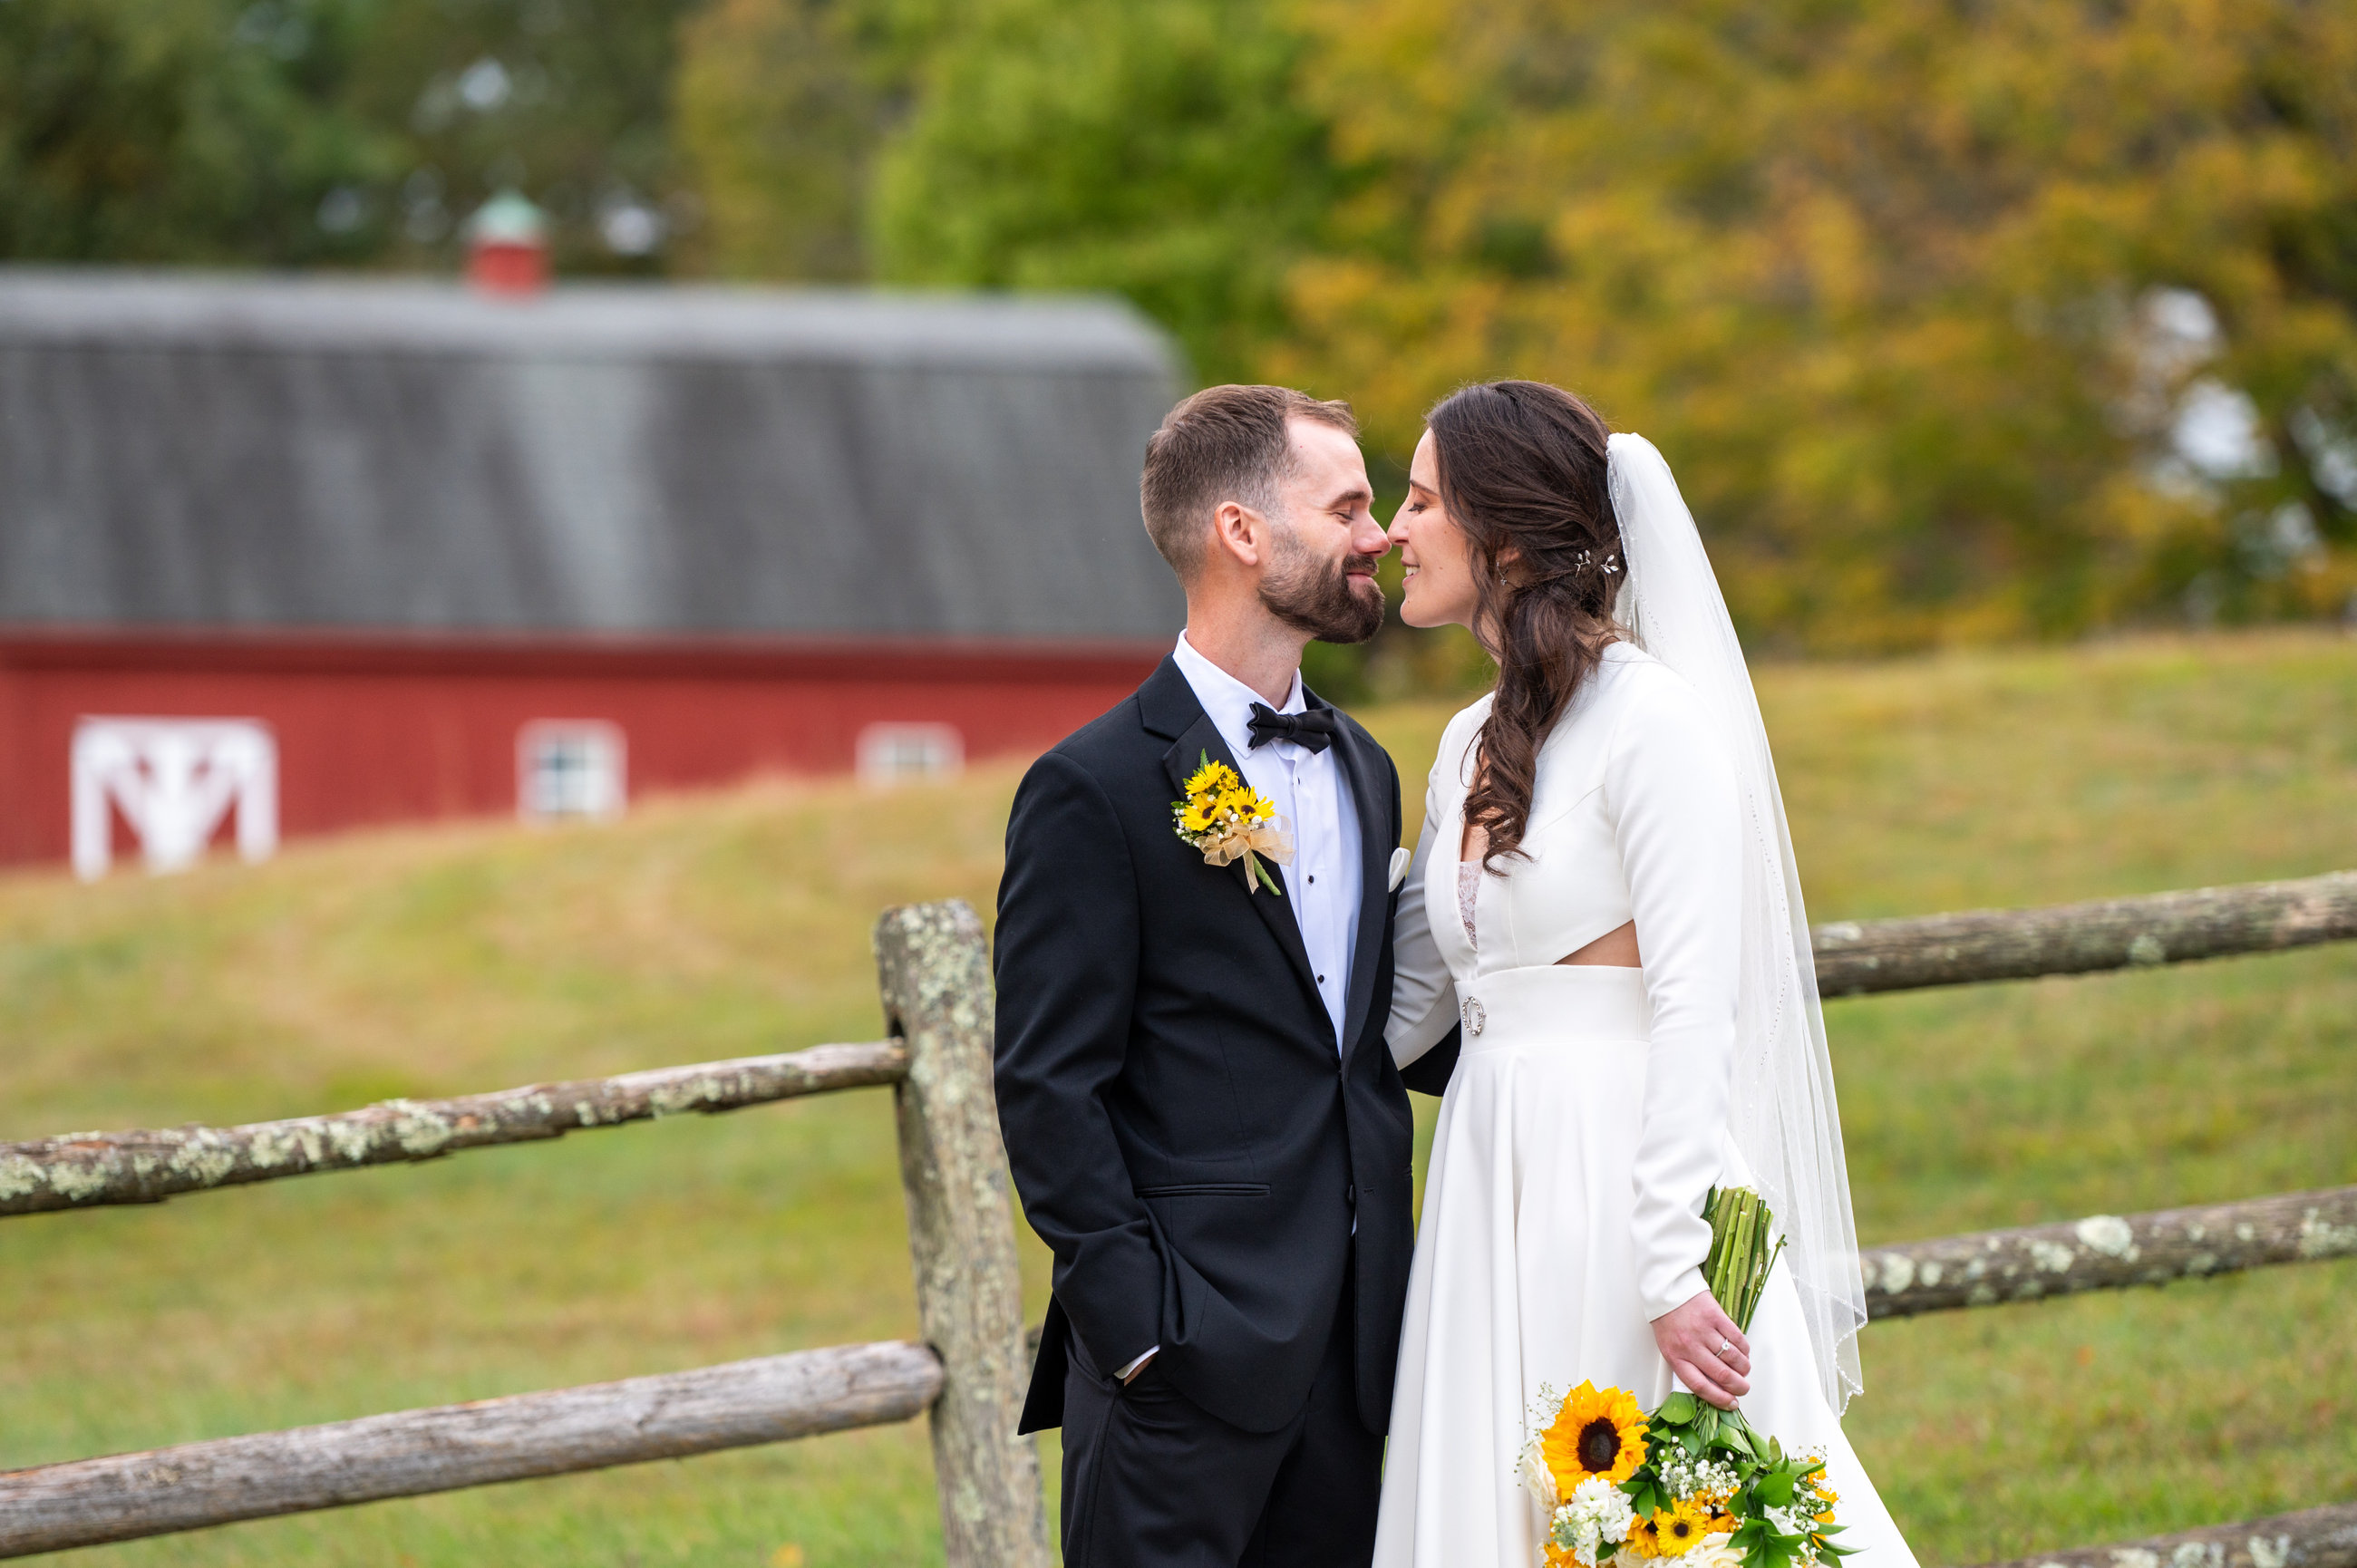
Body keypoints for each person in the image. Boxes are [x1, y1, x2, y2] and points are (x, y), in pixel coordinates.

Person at [1372, 381, 1919, 1568]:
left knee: (1657, 1517)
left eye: (1419, 501)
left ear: (1504, 539)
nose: (1391, 528)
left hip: (1628, 1187)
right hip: (1488, 1175)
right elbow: (1410, 1009)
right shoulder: (1464, 743)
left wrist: (1671, 1266)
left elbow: (1694, 1005)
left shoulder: (1653, 723)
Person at [994, 383, 1443, 1568]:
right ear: (1241, 531)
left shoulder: (1367, 767)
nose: (1379, 536)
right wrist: (1137, 1328)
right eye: (1347, 507)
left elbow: (1355, 1033)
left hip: (1354, 1358)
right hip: (1178, 1369)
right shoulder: (1091, 787)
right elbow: (1048, 1085)